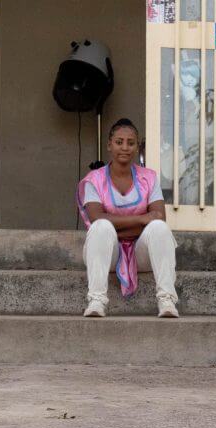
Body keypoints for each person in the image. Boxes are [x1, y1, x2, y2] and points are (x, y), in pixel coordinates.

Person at [77, 118, 179, 318]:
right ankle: (97, 300)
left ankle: (166, 299)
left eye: (131, 143)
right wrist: (141, 220)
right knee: (101, 228)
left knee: (159, 229)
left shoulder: (149, 178)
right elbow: (96, 218)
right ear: (109, 145)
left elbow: (159, 218)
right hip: (107, 252)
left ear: (137, 147)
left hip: (141, 253)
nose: (125, 147)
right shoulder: (94, 180)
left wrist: (119, 225)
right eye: (119, 142)